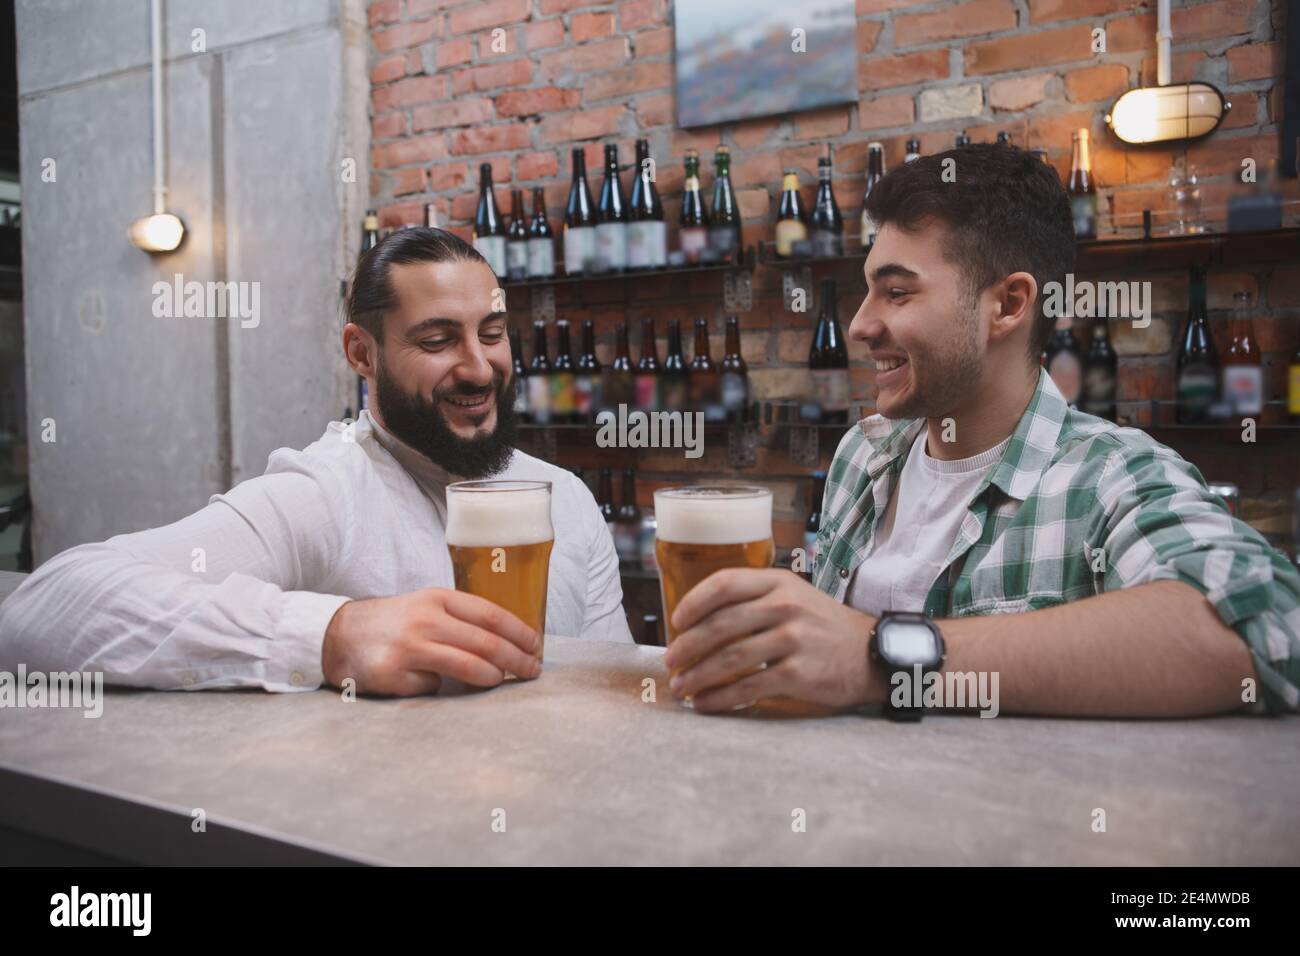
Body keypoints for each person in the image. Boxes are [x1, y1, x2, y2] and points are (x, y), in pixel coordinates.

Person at [664, 143, 1299, 718]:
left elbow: (1270, 624)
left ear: (1008, 305)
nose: (859, 325)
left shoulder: (1110, 473)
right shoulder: (863, 451)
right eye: (868, 292)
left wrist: (877, 656)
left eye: (897, 293)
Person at [0, 228, 632, 695]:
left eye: (492, 334)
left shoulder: (566, 496)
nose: (478, 368)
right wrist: (330, 635)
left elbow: (610, 679)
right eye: (438, 340)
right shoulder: (326, 492)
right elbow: (41, 611)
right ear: (361, 353)